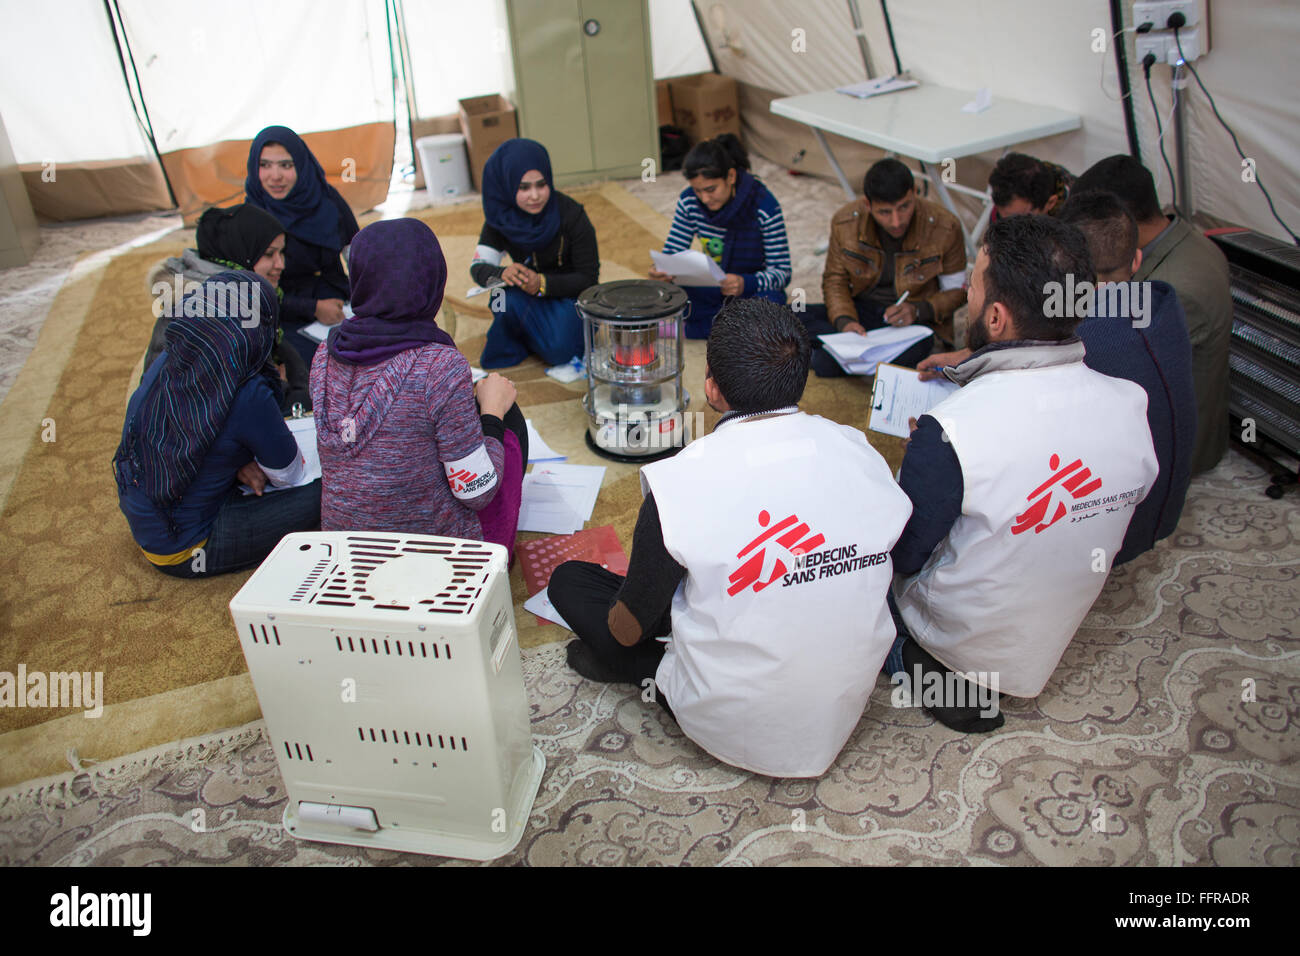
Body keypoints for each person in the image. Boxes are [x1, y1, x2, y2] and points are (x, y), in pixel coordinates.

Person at [548, 298, 912, 778]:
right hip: (842, 701)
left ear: (712, 390)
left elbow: (627, 628)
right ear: (802, 378)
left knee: (571, 582)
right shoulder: (857, 449)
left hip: (726, 723)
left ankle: (644, 674)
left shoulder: (679, 481)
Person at [889, 215, 1158, 732]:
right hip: (1054, 627)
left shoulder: (950, 431)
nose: (965, 291)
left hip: (958, 633)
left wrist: (921, 461)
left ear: (995, 316)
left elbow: (904, 555)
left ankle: (916, 661)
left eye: (971, 282)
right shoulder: (1129, 402)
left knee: (839, 566)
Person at [313, 218, 527, 555]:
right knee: (509, 417)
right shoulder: (439, 365)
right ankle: (498, 553)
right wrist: (493, 414)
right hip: (431, 556)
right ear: (432, 278)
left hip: (348, 548)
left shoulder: (326, 351)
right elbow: (476, 491)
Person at [114, 273, 321, 578]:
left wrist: (239, 460)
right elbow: (289, 475)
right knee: (335, 485)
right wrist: (247, 456)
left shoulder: (171, 356)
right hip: (188, 547)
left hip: (150, 511)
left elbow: (189, 428)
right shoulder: (249, 388)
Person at [1058, 190, 1196, 565]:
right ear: (1136, 259)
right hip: (1163, 513)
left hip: (1106, 537)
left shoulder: (1074, 344)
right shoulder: (1166, 304)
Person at [1072, 154, 1232, 473]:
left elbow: (1104, 359)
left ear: (1121, 221)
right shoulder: (1184, 239)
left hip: (1173, 448)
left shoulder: (1172, 289)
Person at [801, 158, 966, 376]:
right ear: (867, 205)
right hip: (862, 312)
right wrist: (845, 322)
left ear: (915, 193)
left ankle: (829, 359)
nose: (896, 221)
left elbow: (957, 292)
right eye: (885, 212)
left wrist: (917, 310)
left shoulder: (945, 226)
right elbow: (835, 280)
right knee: (791, 315)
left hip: (910, 323)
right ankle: (848, 359)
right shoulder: (845, 222)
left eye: (904, 207)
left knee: (923, 346)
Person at [144, 203, 309, 413]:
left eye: (281, 253)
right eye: (269, 254)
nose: (280, 264)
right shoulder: (225, 316)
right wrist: (283, 386)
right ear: (239, 254)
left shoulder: (238, 293)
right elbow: (245, 406)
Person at [471, 138, 599, 369]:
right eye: (523, 187)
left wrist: (541, 283)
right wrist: (505, 273)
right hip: (526, 295)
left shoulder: (571, 215)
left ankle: (525, 333)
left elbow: (588, 279)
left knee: (562, 352)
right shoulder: (501, 218)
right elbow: (479, 269)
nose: (535, 196)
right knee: (500, 300)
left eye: (541, 184)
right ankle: (528, 331)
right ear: (507, 186)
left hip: (568, 296)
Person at [648, 134, 791, 339]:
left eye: (711, 189)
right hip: (713, 286)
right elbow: (673, 252)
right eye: (697, 191)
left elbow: (782, 273)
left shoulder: (764, 206)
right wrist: (662, 271)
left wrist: (744, 283)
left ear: (731, 177)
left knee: (771, 306)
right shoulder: (689, 202)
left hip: (750, 290)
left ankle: (689, 329)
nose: (704, 198)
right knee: (672, 294)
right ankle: (728, 329)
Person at [245, 125, 360, 366]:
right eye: (264, 165)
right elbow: (250, 294)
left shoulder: (328, 200)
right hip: (285, 314)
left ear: (302, 164)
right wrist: (312, 307)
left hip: (342, 303)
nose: (275, 176)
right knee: (315, 365)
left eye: (286, 165)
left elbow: (357, 254)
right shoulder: (250, 217)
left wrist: (366, 296)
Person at [987, 152, 1074, 220]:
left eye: (1020, 219)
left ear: (1050, 203)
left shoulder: (1078, 221)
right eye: (1003, 217)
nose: (1011, 228)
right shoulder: (1003, 208)